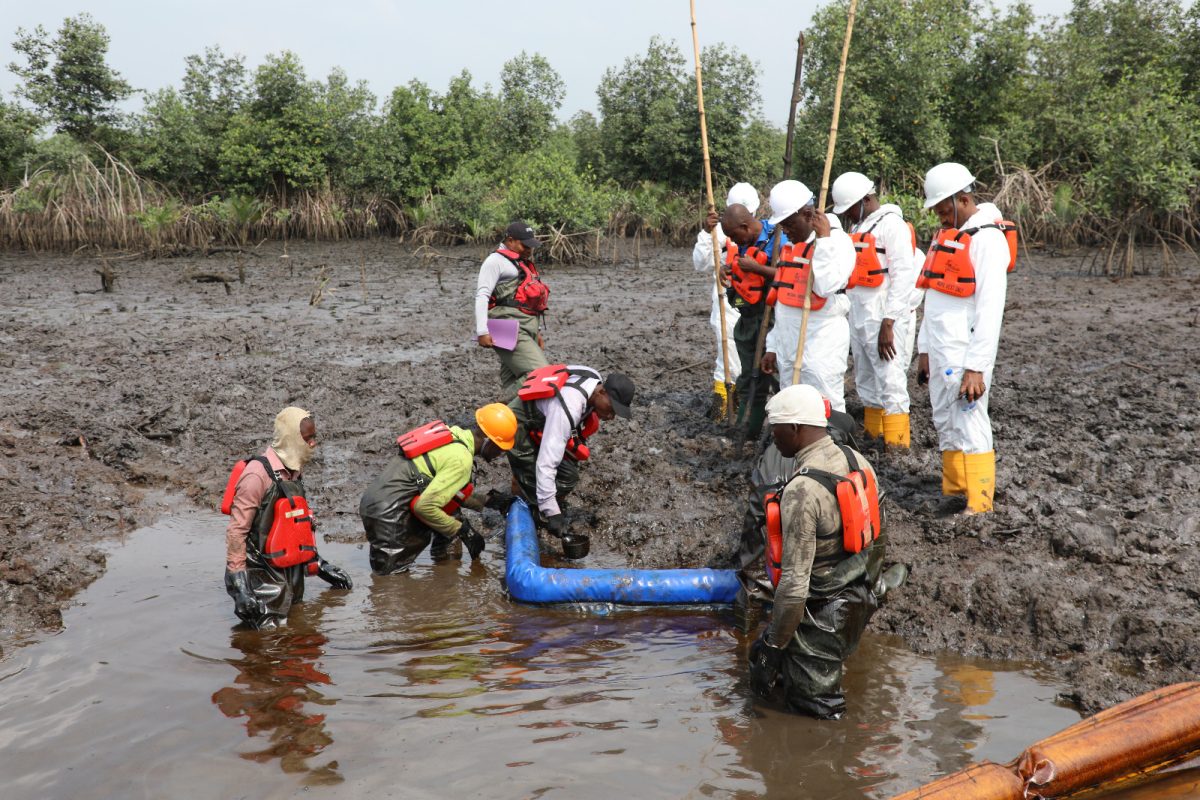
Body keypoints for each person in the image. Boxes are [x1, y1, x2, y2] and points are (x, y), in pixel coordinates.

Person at [747, 385, 888, 719]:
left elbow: (795, 588)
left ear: (795, 428)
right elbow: (877, 536)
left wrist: (772, 649)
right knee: (767, 660)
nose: (772, 437)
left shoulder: (801, 492)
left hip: (822, 613)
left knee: (817, 711)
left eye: (776, 428)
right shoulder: (857, 461)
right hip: (859, 594)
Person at [916, 162, 1013, 513]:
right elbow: (933, 296)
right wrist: (924, 349)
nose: (941, 218)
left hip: (965, 352)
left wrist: (976, 367)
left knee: (970, 421)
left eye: (944, 210)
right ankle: (955, 491)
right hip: (941, 349)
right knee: (945, 418)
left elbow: (991, 310)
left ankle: (980, 502)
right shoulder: (948, 238)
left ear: (964, 199)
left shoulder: (987, 239)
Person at [223, 407, 352, 630]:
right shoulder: (256, 476)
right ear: (291, 438)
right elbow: (237, 532)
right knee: (265, 644)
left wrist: (318, 564)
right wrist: (240, 587)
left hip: (290, 569)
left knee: (296, 633)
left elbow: (295, 525)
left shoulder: (294, 471)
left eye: (314, 437)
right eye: (307, 438)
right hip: (261, 575)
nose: (313, 444)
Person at [358, 404, 518, 575]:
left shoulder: (454, 435)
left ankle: (443, 567)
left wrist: (487, 501)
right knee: (390, 584)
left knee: (451, 512)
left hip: (377, 501)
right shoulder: (461, 459)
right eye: (500, 449)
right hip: (389, 514)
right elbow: (424, 507)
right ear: (488, 441)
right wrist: (464, 531)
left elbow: (445, 490)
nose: (500, 455)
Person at [830, 171, 922, 446]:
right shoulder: (858, 228)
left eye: (849, 209)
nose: (846, 216)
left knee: (890, 378)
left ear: (866, 199)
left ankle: (897, 445)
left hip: (883, 313)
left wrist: (889, 322)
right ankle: (874, 434)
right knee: (865, 377)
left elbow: (904, 274)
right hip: (859, 312)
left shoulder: (891, 225)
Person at [506, 364, 635, 558]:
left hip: (543, 419)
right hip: (516, 424)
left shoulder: (593, 377)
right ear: (602, 392)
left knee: (568, 476)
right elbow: (547, 463)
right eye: (611, 409)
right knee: (535, 485)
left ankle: (536, 493)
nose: (610, 417)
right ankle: (525, 498)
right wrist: (553, 513)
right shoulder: (569, 406)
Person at [760, 180, 855, 411]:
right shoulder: (791, 247)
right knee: (791, 404)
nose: (786, 231)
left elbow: (825, 286)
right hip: (788, 344)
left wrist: (823, 242)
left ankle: (832, 445)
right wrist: (772, 346)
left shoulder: (837, 242)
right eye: (782, 226)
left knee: (824, 404)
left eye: (790, 224)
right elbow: (784, 301)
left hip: (822, 343)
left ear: (808, 214)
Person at [718, 201, 790, 436]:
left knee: (776, 376)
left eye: (733, 235)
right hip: (748, 318)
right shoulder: (744, 243)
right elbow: (743, 270)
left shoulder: (778, 236)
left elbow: (790, 276)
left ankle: (785, 428)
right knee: (749, 375)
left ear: (745, 226)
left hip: (773, 318)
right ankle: (746, 428)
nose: (733, 241)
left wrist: (758, 269)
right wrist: (727, 270)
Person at [692, 182, 760, 421]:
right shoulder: (720, 232)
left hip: (755, 308)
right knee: (727, 360)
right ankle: (723, 411)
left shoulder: (763, 232)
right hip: (727, 306)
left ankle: (746, 409)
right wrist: (706, 233)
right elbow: (700, 263)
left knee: (756, 362)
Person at [475, 221, 551, 400]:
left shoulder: (521, 263)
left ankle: (508, 421)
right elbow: (482, 295)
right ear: (510, 241)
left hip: (527, 327)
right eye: (525, 245)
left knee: (513, 378)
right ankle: (499, 407)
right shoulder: (495, 261)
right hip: (507, 327)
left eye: (531, 245)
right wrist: (482, 331)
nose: (529, 250)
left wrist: (537, 332)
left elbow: (526, 302)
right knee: (540, 374)